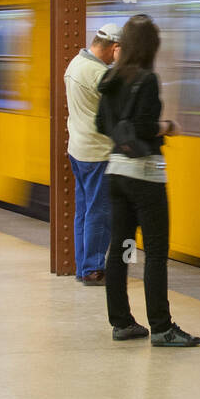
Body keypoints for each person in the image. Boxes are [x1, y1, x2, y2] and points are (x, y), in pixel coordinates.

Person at [95, 14, 200, 346]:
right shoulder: (148, 79)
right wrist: (167, 127)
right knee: (155, 251)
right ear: (150, 47)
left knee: (121, 249)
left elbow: (101, 124)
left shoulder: (111, 78)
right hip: (146, 175)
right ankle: (162, 327)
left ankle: (122, 322)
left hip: (116, 171)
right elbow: (143, 126)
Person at [64, 23, 122, 284]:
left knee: (85, 211)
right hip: (97, 152)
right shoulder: (99, 73)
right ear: (114, 48)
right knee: (100, 212)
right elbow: (121, 107)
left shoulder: (75, 63)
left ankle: (83, 266)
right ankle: (93, 269)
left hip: (78, 149)